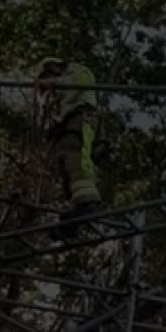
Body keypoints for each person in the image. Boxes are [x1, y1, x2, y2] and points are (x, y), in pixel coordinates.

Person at [35, 57, 102, 237]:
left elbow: (82, 82)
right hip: (71, 122)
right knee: (63, 161)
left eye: (48, 74)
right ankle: (77, 209)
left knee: (74, 157)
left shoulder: (77, 70)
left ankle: (87, 203)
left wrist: (51, 83)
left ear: (54, 67)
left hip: (81, 119)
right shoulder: (62, 92)